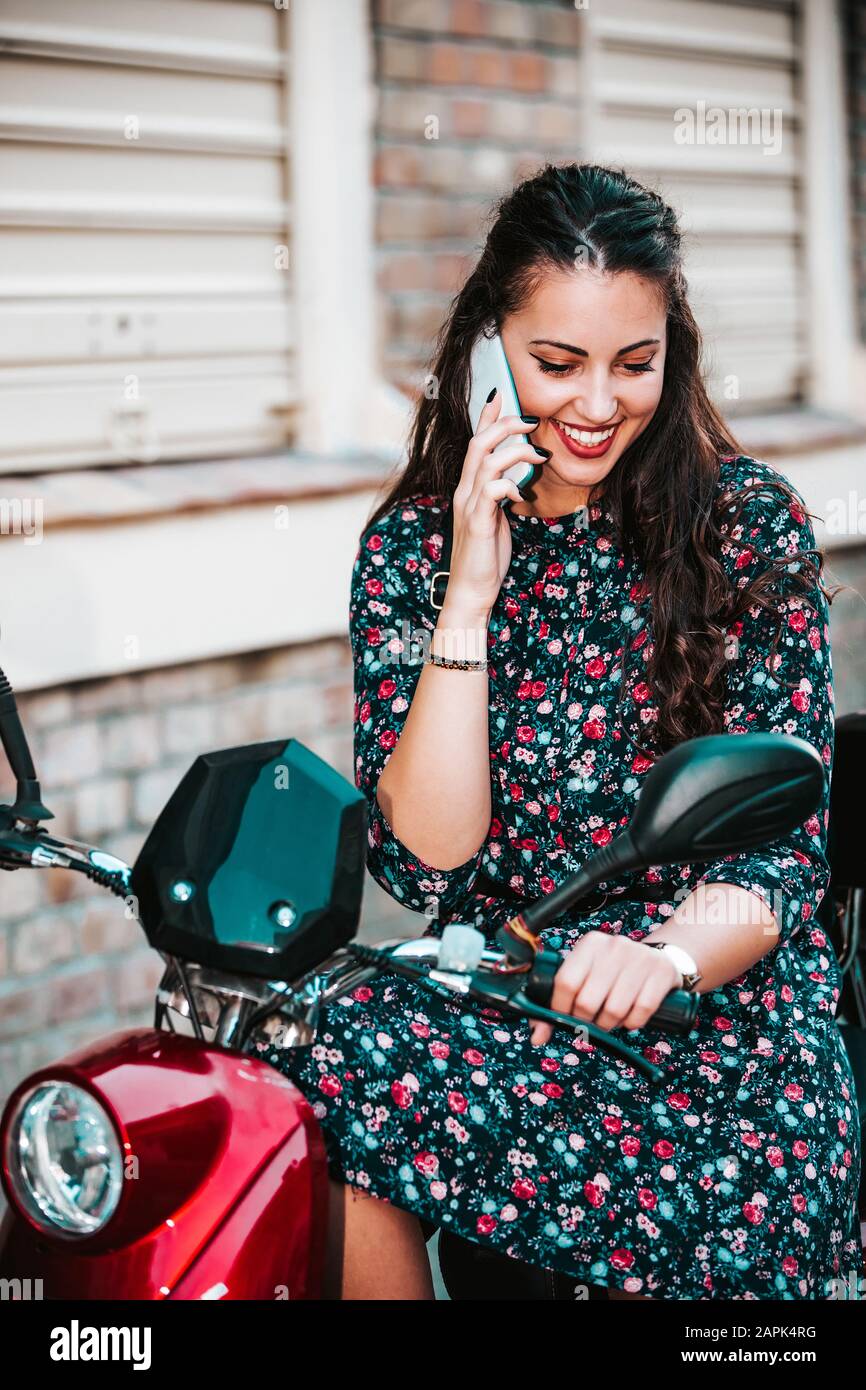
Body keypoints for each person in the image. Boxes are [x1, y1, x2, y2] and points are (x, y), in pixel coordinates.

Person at [268, 163, 861, 1300]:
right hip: (525, 1012)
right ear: (487, 352)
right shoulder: (411, 551)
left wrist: (664, 955)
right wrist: (469, 594)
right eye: (555, 364)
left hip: (719, 1027)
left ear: (668, 356)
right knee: (322, 1050)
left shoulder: (744, 524)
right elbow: (423, 859)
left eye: (632, 365)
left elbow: (780, 851)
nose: (596, 404)